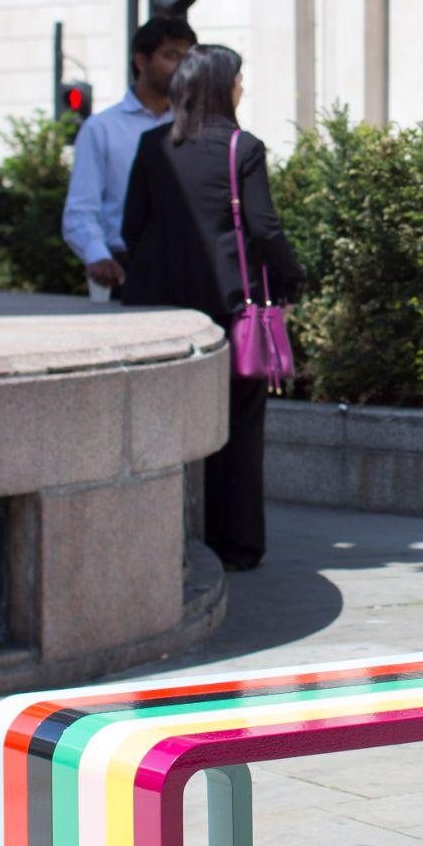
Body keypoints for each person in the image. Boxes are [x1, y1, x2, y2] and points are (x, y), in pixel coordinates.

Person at [119, 44, 304, 571]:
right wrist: (292, 278)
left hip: (156, 313)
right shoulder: (242, 147)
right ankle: (237, 545)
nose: (243, 87)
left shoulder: (153, 145)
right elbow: (263, 227)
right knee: (239, 428)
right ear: (223, 87)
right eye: (239, 79)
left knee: (162, 425)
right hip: (228, 311)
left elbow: (131, 227)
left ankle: (161, 540)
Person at [60, 17, 197, 301]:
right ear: (141, 61)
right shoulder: (102, 128)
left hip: (187, 267)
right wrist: (97, 257)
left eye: (188, 58)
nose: (182, 67)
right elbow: (81, 208)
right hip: (126, 268)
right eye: (171, 56)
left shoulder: (194, 126)